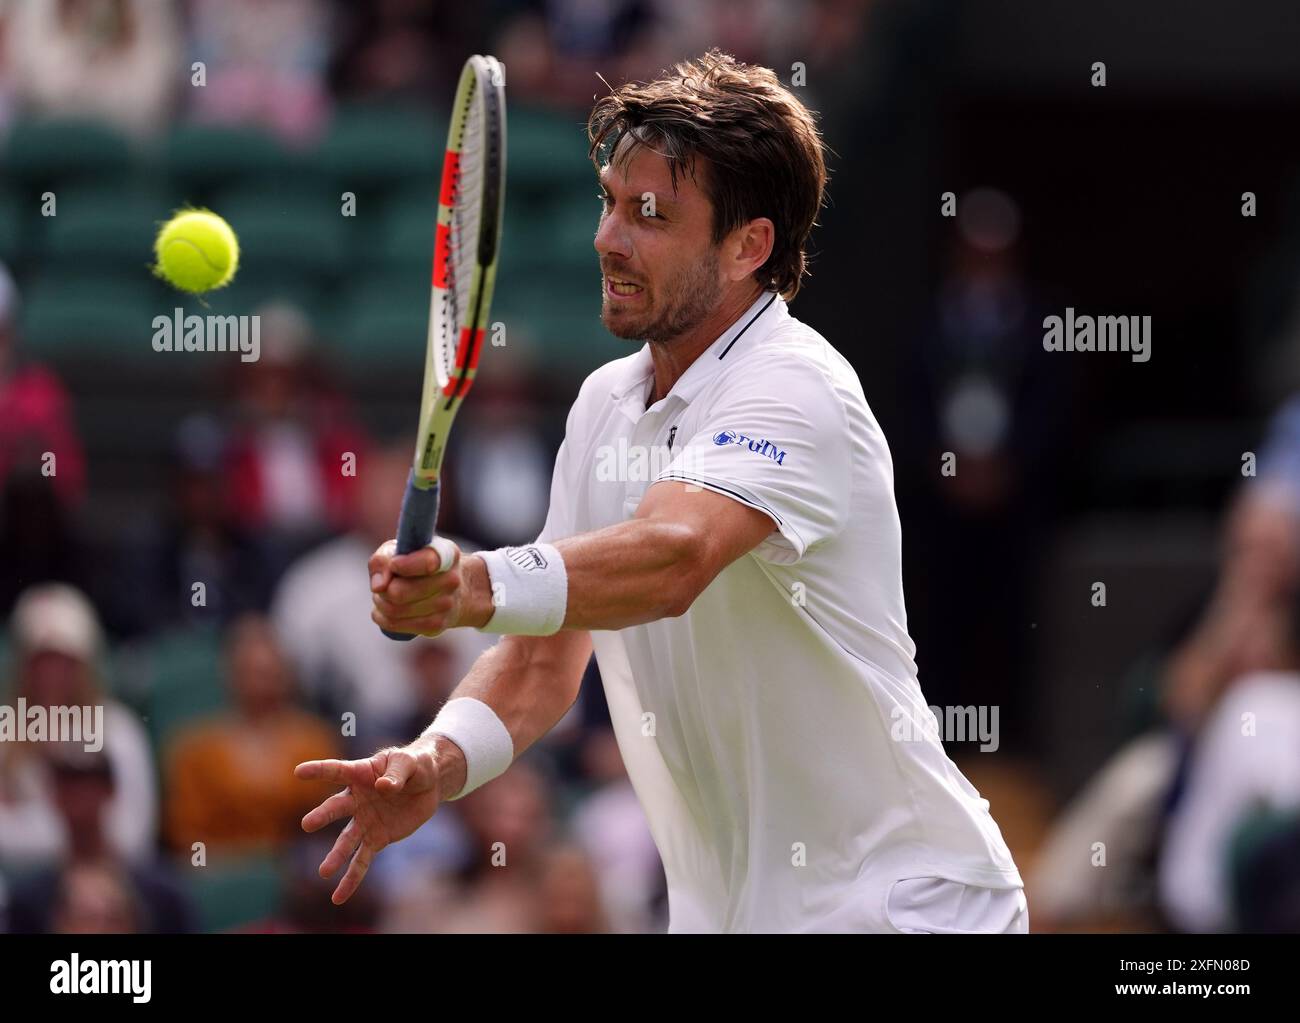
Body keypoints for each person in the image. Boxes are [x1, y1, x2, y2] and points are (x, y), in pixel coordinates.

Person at [296, 50, 1026, 933]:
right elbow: (542, 659)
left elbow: (674, 557)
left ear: (747, 245)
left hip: (902, 904)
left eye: (650, 214)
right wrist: (437, 759)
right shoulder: (604, 403)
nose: (608, 236)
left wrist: (471, 583)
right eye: (610, 201)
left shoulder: (798, 387)